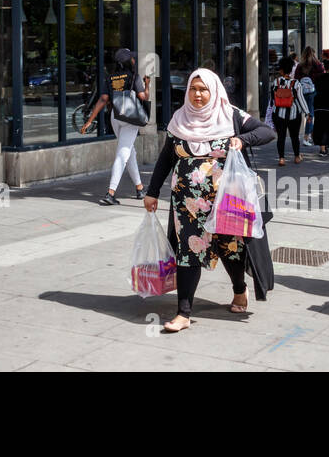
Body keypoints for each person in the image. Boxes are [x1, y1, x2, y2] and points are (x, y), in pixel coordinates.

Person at [143, 69, 276, 332]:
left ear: (214, 90)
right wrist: (152, 191)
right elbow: (166, 160)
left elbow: (267, 132)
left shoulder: (230, 114)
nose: (198, 94)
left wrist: (241, 139)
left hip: (226, 201)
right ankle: (183, 313)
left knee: (231, 250)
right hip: (187, 205)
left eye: (203, 89)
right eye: (193, 89)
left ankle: (240, 290)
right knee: (188, 253)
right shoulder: (179, 120)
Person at [82, 48, 151, 205]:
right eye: (132, 59)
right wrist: (147, 85)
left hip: (115, 116)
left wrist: (89, 120)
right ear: (129, 62)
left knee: (129, 152)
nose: (134, 60)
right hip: (130, 116)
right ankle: (110, 193)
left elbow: (103, 99)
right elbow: (143, 97)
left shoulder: (110, 77)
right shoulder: (134, 76)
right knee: (123, 153)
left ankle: (140, 189)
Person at [270, 55, 308, 166]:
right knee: (294, 136)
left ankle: (281, 158)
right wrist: (307, 112)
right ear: (291, 69)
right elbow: (301, 99)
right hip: (294, 114)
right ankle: (297, 157)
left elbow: (273, 98)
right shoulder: (296, 83)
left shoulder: (276, 82)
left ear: (281, 70)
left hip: (278, 114)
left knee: (281, 137)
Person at [294, 46, 323, 145]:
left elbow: (296, 78)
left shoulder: (300, 65)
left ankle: (299, 135)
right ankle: (306, 137)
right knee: (311, 114)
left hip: (301, 92)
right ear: (313, 54)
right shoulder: (317, 65)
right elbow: (321, 77)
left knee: (299, 113)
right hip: (313, 92)